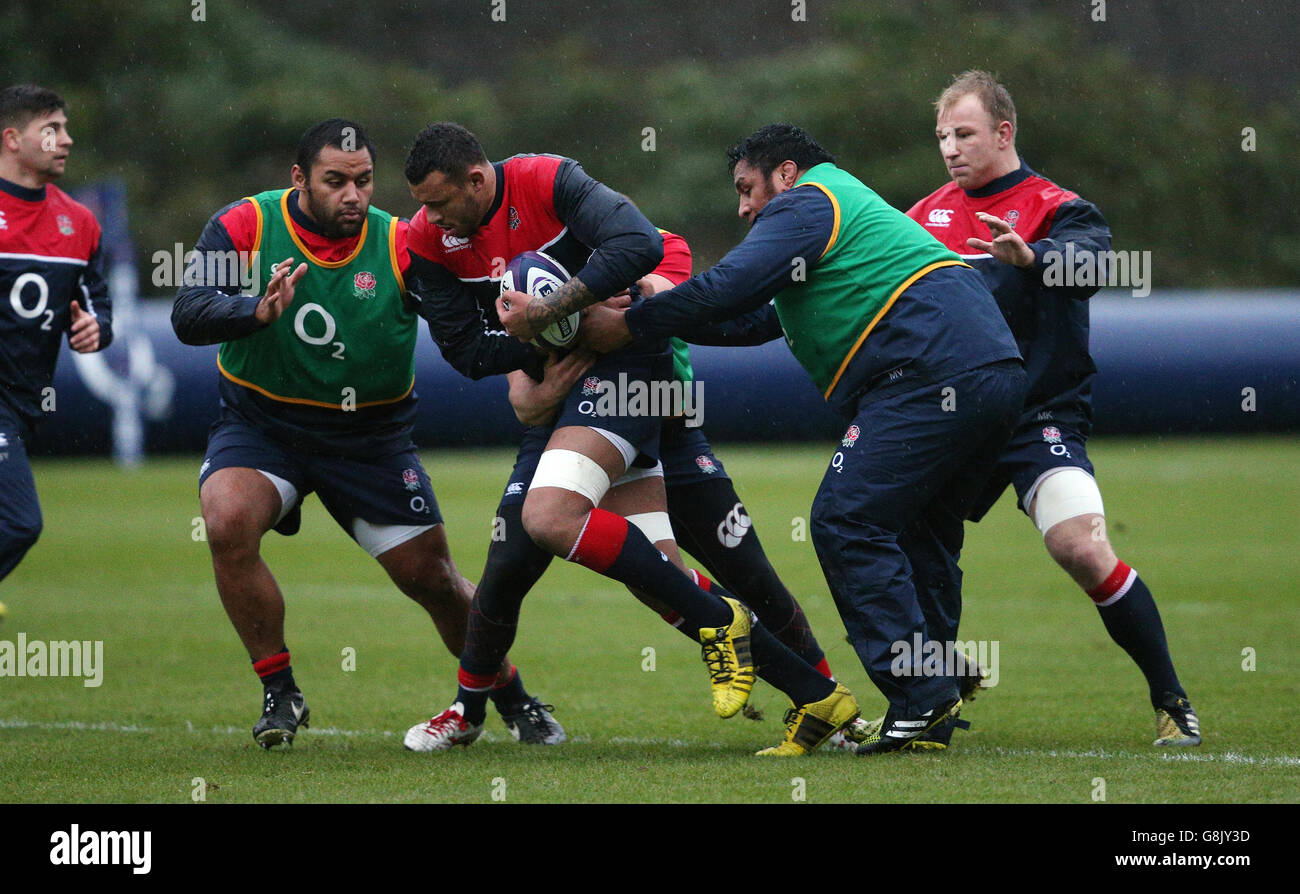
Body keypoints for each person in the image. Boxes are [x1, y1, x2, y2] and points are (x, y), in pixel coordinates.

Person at [569, 123, 1027, 755]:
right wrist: (645, 320)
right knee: (920, 535)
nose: (743, 207)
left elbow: (728, 287)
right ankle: (933, 708)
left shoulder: (810, 200)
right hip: (988, 369)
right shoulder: (832, 218)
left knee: (845, 521)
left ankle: (917, 696)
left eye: (747, 188)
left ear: (784, 174)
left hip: (929, 369)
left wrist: (632, 322)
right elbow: (755, 319)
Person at [403, 122, 858, 756]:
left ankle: (806, 683)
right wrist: (529, 362)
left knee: (738, 566)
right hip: (567, 403)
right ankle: (469, 707)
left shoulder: (603, 217)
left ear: (477, 180)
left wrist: (561, 314)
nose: (426, 217)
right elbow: (463, 348)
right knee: (522, 561)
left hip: (652, 402)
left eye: (437, 202)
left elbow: (645, 268)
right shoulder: (429, 241)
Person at [171, 118, 557, 750]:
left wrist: (541, 341)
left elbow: (468, 333)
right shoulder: (245, 224)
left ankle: (507, 691)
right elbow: (187, 312)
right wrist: (254, 310)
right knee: (225, 520)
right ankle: (279, 691)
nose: (353, 195)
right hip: (262, 423)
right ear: (299, 179)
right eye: (335, 182)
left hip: (370, 438)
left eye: (364, 181)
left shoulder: (407, 244)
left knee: (430, 579)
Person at [907, 70, 1200, 746]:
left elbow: (1094, 266)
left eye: (965, 133)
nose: (951, 148)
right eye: (943, 136)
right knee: (902, 533)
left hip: (1039, 416)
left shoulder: (1058, 207)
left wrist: (1034, 257)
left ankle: (1172, 702)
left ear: (1004, 133)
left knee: (1080, 547)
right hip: (957, 417)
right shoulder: (924, 215)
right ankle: (936, 688)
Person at [0, 85, 112, 585]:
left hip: (24, 404)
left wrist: (95, 329)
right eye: (52, 130)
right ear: (12, 139)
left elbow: (97, 306)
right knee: (20, 523)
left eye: (65, 128)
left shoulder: (80, 223)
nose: (66, 140)